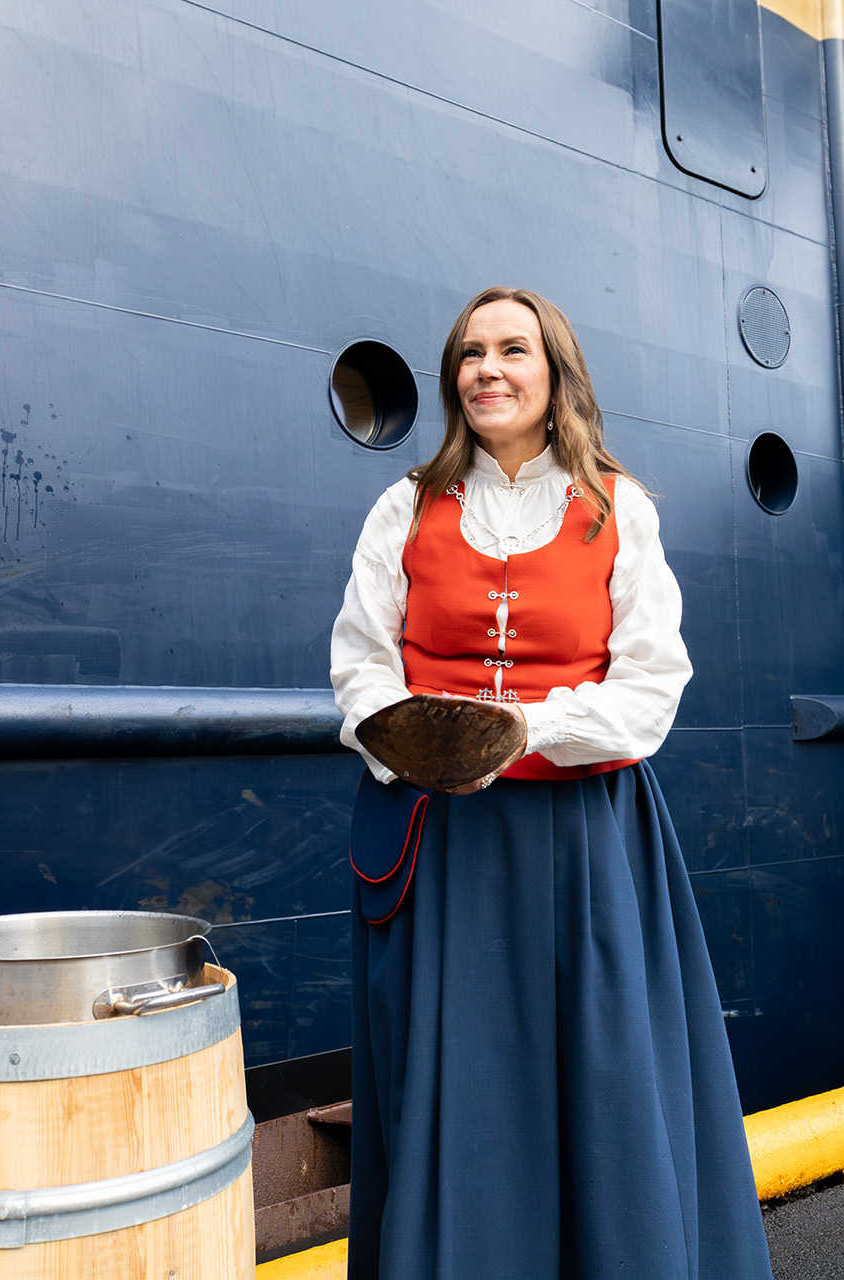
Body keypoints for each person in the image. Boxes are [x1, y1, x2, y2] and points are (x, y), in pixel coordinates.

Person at [329, 286, 773, 1277]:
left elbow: (650, 686)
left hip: (584, 835)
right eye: (471, 352)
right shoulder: (404, 507)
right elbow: (360, 665)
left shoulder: (617, 508)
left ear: (555, 372)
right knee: (455, 1082)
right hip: (441, 839)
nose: (487, 369)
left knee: (603, 1080)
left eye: (512, 349)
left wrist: (522, 727)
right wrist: (420, 738)